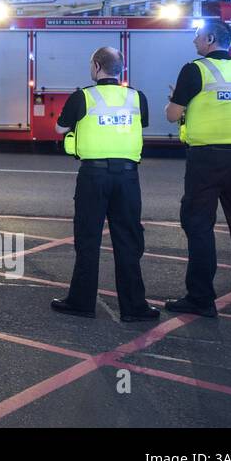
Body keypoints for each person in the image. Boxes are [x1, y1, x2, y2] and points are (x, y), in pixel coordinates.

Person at [164, 20, 231, 318]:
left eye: (197, 37)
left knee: (199, 226)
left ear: (210, 39)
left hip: (206, 160)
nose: (194, 42)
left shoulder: (194, 69)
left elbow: (172, 116)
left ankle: (201, 299)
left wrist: (175, 100)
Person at [51, 47, 157, 322]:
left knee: (88, 238)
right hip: (128, 177)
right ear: (119, 68)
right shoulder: (137, 97)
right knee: (128, 240)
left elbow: (60, 129)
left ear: (97, 66)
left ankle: (81, 302)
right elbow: (141, 124)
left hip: (93, 176)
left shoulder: (83, 96)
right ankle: (134, 307)